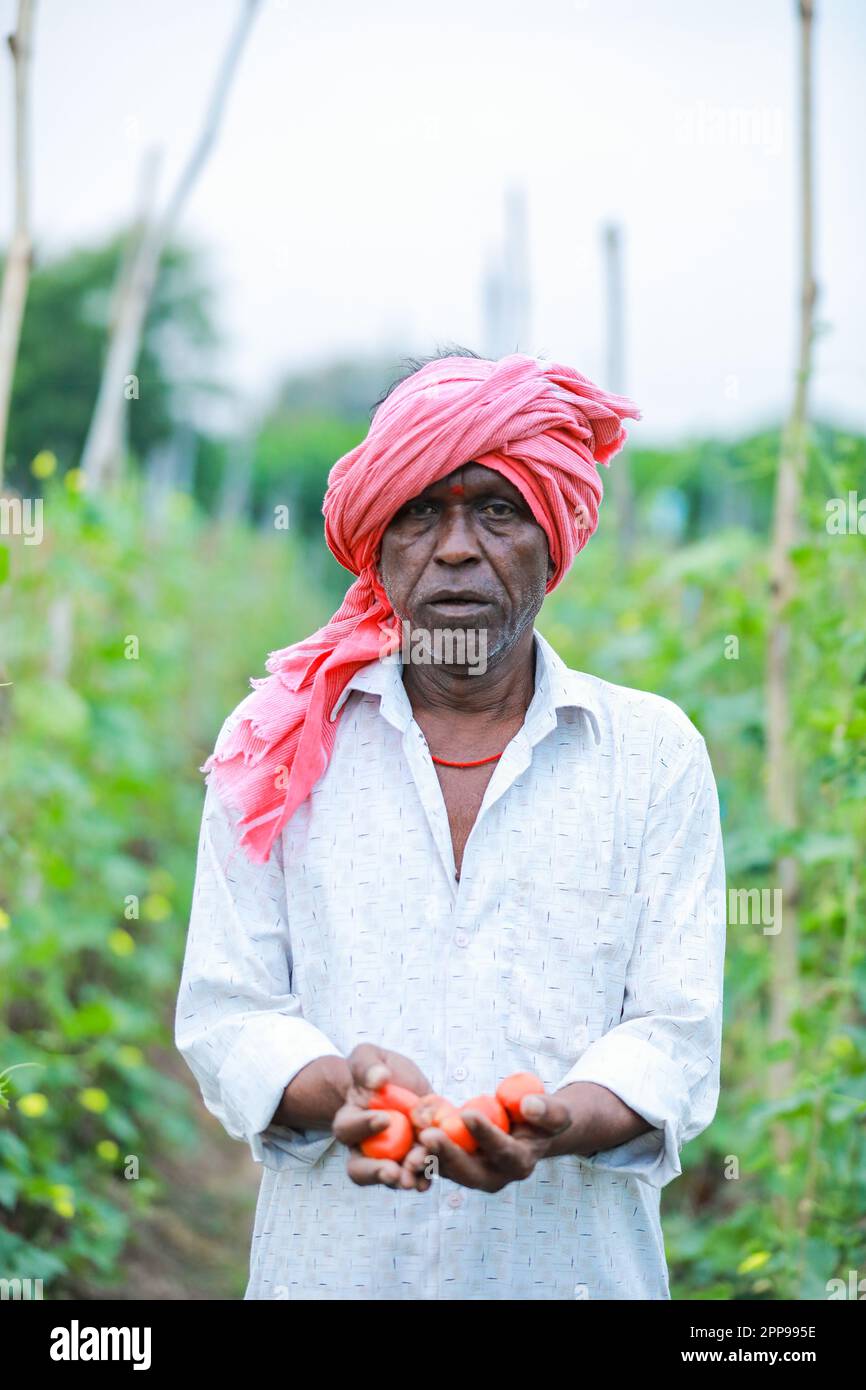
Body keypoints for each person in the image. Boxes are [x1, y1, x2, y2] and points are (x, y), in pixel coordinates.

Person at [175, 347, 727, 1300]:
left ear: (553, 542)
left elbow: (674, 1035)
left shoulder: (652, 754)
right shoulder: (279, 744)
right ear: (376, 548)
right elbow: (230, 1008)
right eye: (421, 511)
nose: (459, 546)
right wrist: (340, 1090)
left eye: (498, 509)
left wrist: (557, 1119)